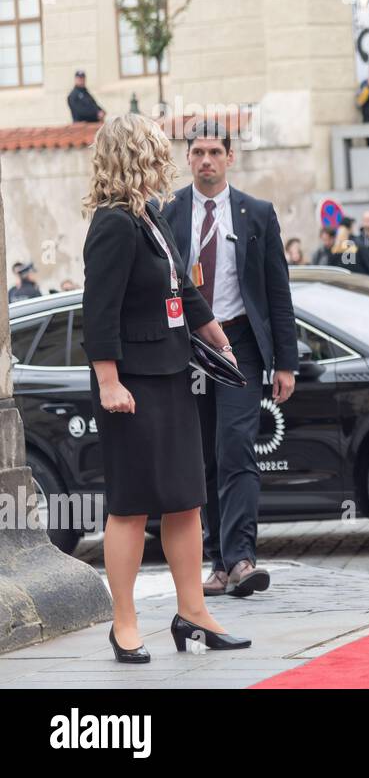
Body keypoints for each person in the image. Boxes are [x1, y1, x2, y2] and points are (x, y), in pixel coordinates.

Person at [80, 113, 250, 663]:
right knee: (130, 506)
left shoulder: (150, 215)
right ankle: (124, 623)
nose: (166, 159)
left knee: (185, 501)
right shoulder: (112, 223)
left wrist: (219, 342)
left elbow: (183, 288)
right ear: (134, 155)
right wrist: (108, 382)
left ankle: (193, 612)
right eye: (155, 150)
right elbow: (98, 314)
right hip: (130, 387)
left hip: (172, 375)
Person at [161, 119, 298, 599]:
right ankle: (218, 562)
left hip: (238, 344)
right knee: (204, 458)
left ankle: (241, 559)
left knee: (237, 447)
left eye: (215, 151)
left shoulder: (256, 214)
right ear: (187, 158)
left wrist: (285, 362)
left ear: (230, 157)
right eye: (197, 152)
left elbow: (277, 292)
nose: (205, 160)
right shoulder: (168, 211)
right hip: (187, 348)